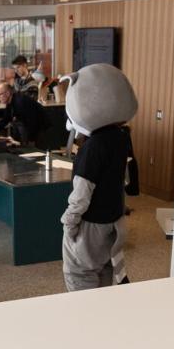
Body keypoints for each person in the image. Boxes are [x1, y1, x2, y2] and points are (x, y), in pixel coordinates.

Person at [60, 63, 139, 291]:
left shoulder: (93, 147)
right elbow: (124, 178)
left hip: (91, 224)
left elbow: (82, 193)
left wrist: (69, 222)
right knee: (104, 268)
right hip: (113, 220)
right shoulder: (121, 136)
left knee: (79, 273)